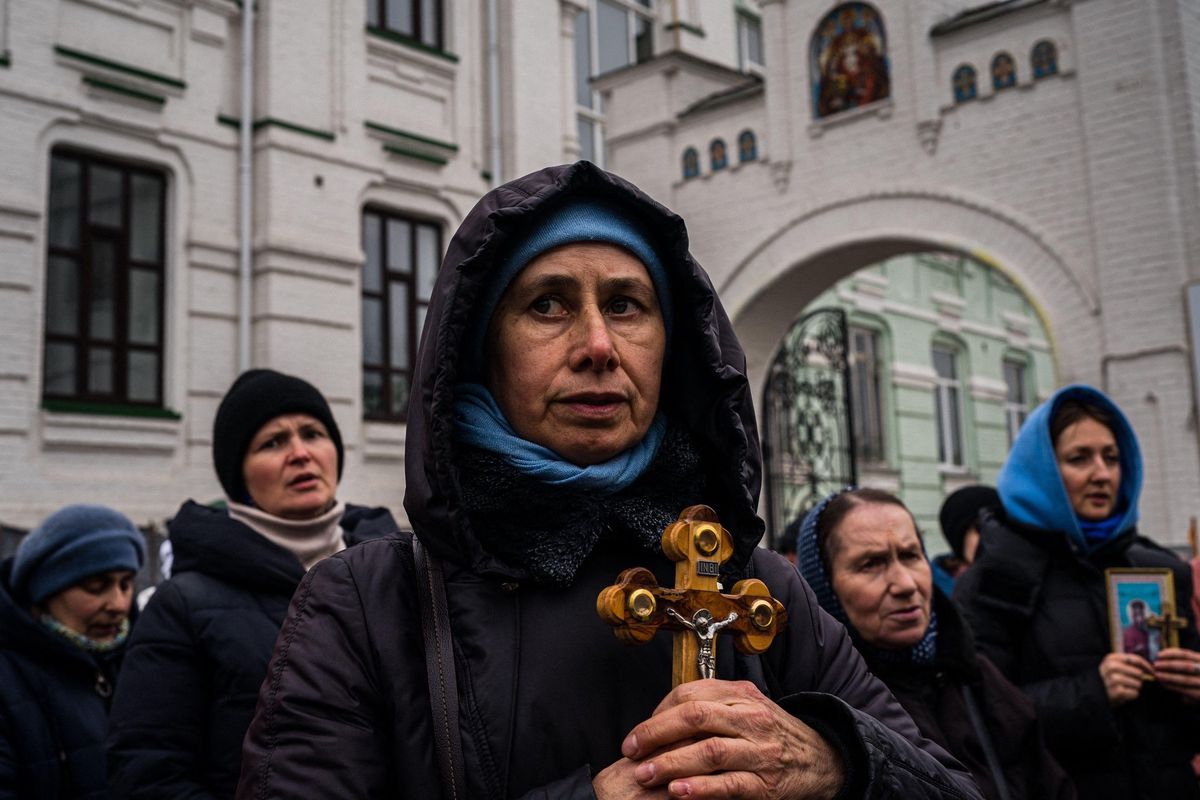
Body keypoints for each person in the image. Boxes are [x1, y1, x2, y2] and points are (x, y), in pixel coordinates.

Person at [237, 162, 982, 799]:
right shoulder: (365, 609)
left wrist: (837, 762)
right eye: (547, 305)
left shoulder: (756, 590)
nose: (597, 345)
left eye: (626, 305)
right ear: (480, 349)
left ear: (672, 347)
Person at [107, 370, 398, 799]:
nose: (300, 454)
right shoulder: (182, 607)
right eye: (272, 442)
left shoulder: (395, 572)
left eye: (313, 433)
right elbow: (148, 773)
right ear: (237, 475)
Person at [955, 384, 1200, 799]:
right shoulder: (992, 581)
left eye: (1111, 457)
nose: (1102, 474)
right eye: (1078, 459)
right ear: (1041, 470)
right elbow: (978, 718)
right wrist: (1091, 693)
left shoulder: (1159, 569)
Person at [796, 487, 1074, 800]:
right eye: (871, 564)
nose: (905, 584)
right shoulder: (824, 711)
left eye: (911, 555)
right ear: (823, 586)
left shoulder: (976, 677)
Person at [0, 504, 145, 798]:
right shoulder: (8, 680)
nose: (118, 604)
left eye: (126, 584)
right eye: (95, 586)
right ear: (44, 592)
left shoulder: (146, 663)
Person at [931, 485, 999, 594]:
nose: (993, 534)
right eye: (980, 528)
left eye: (999, 526)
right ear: (960, 537)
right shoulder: (932, 594)